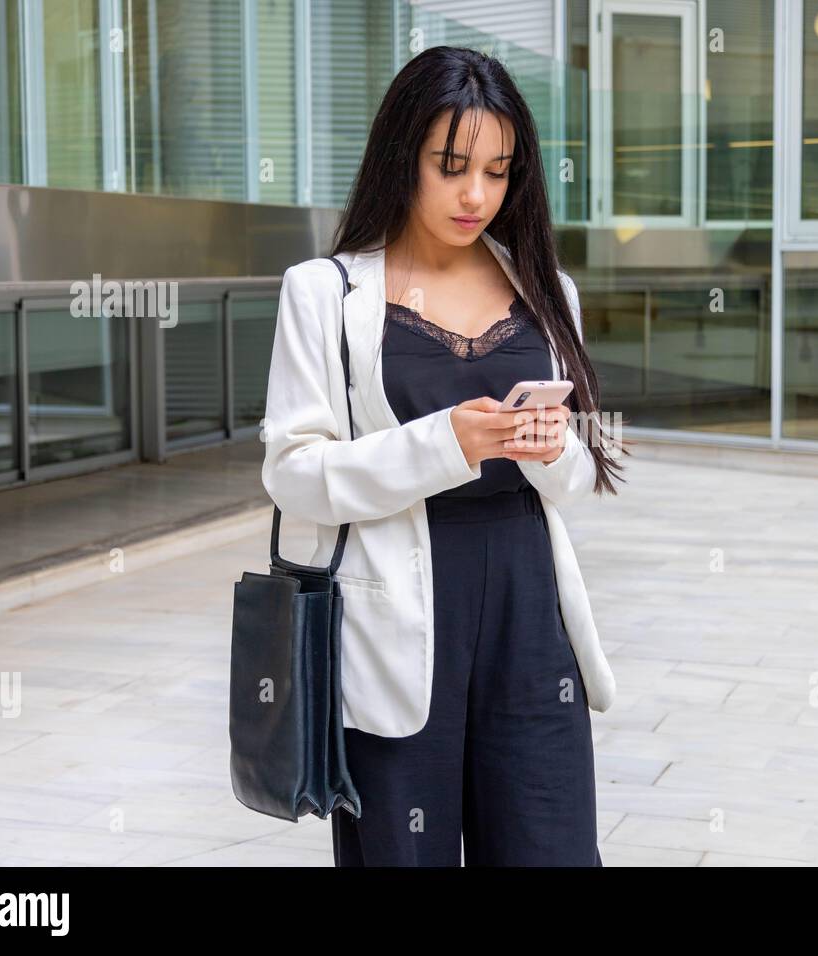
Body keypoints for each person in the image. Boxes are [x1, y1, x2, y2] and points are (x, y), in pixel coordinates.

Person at [260, 45, 629, 866]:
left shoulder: (545, 288)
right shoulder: (325, 292)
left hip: (529, 614)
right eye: (452, 165)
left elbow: (571, 480)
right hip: (395, 615)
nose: (476, 195)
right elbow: (290, 470)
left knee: (551, 844)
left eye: (498, 172)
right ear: (404, 157)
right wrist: (445, 445)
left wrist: (548, 446)